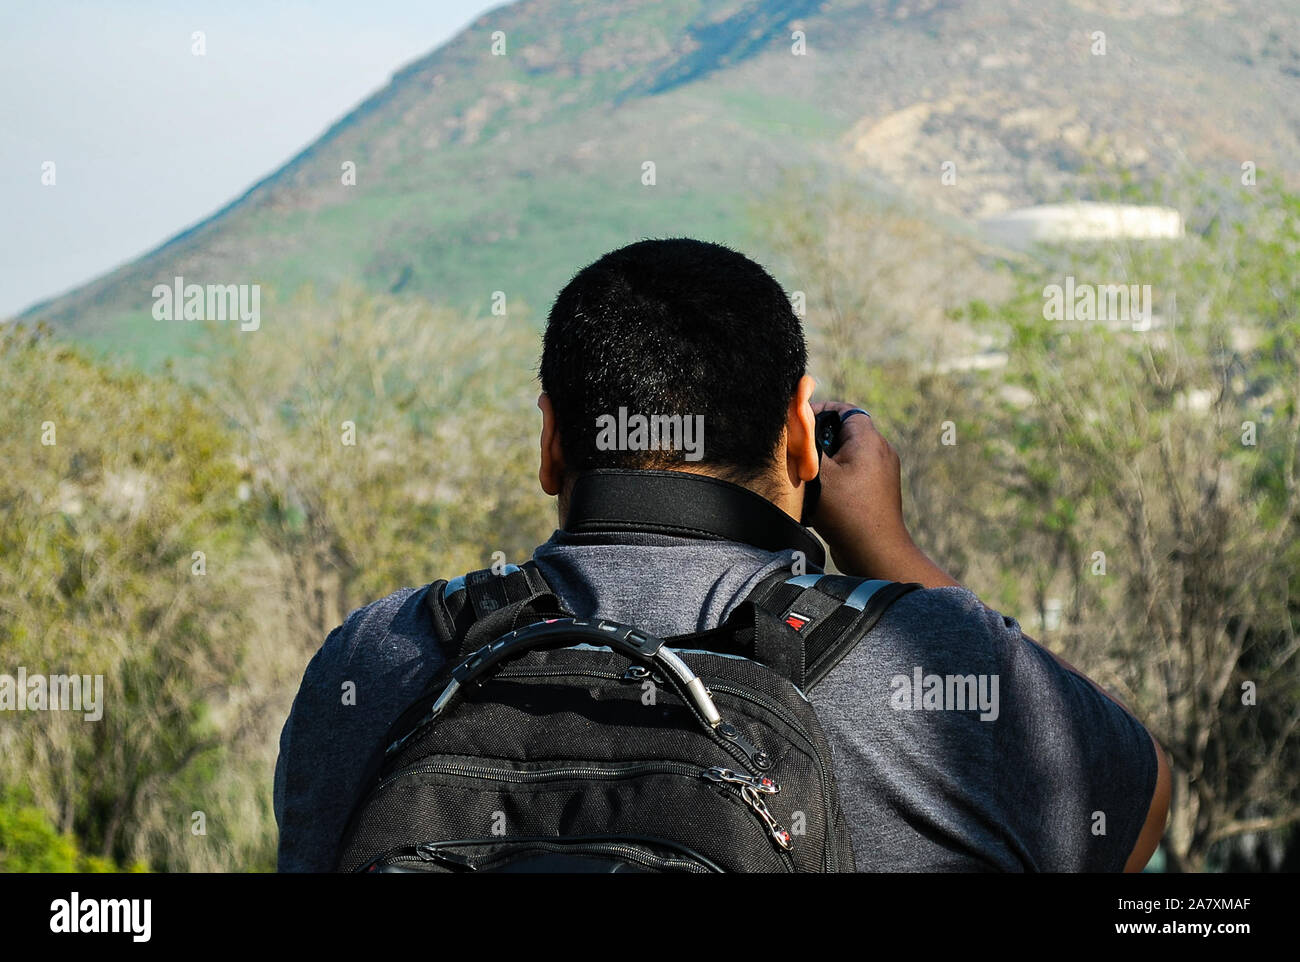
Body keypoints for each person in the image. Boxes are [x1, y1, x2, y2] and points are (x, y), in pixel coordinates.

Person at [274, 237, 1170, 872]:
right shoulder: (933, 669)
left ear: (550, 443)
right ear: (798, 432)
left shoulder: (375, 658)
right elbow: (1138, 802)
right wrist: (888, 549)